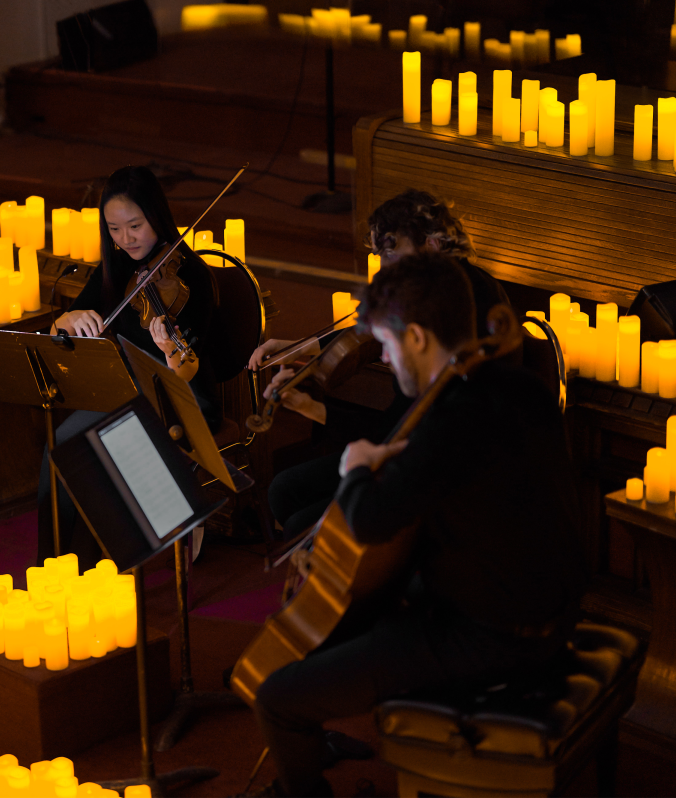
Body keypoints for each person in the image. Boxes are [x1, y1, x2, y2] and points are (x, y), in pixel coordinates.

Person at [250, 252, 586, 797]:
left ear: (422, 340)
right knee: (362, 614)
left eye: (386, 344)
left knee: (278, 696)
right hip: (548, 606)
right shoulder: (520, 388)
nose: (383, 356)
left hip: (493, 636)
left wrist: (356, 467)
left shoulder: (451, 421)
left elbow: (369, 522)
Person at [254, 189, 510, 540]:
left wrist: (319, 413)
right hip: (403, 440)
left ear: (432, 246)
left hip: (428, 458)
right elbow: (368, 338)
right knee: (285, 490)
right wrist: (306, 348)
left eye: (391, 257)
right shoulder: (417, 296)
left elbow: (404, 431)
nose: (383, 271)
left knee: (303, 525)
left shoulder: (462, 306)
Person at [38, 165, 218, 568]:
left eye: (135, 225)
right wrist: (65, 321)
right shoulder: (116, 267)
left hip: (180, 395)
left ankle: (100, 559)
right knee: (60, 445)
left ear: (156, 215)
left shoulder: (191, 276)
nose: (125, 239)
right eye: (114, 229)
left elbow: (189, 370)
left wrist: (169, 350)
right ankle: (55, 566)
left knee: (89, 443)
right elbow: (60, 328)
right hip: (125, 390)